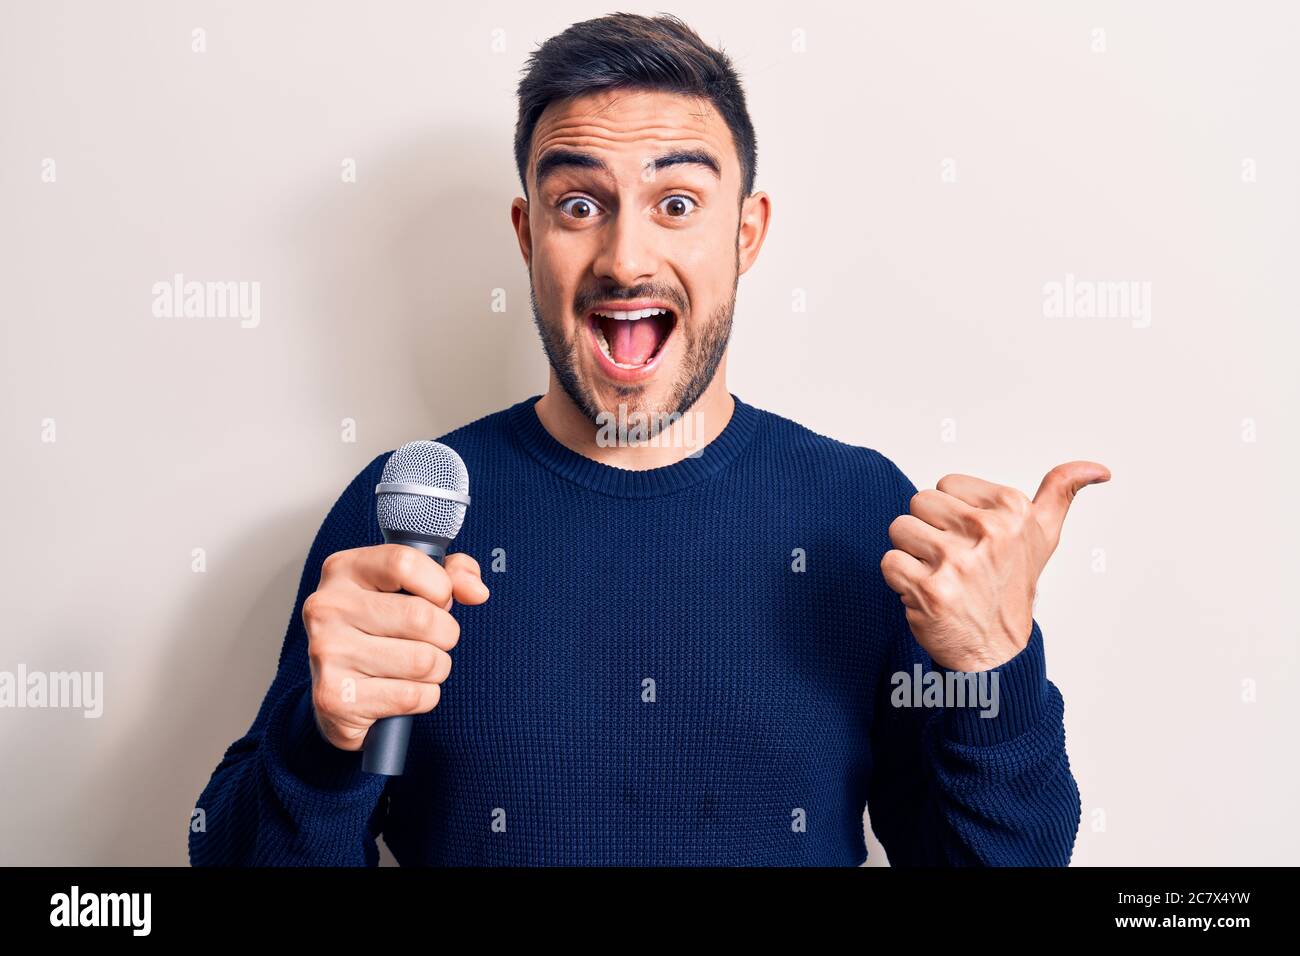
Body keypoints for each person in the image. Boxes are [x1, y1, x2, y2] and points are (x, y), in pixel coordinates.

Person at [189, 12, 1106, 866]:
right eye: (579, 205)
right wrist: (322, 738)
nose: (626, 258)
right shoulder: (410, 513)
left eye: (676, 203)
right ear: (527, 234)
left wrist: (993, 669)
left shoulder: (863, 515)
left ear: (746, 235)